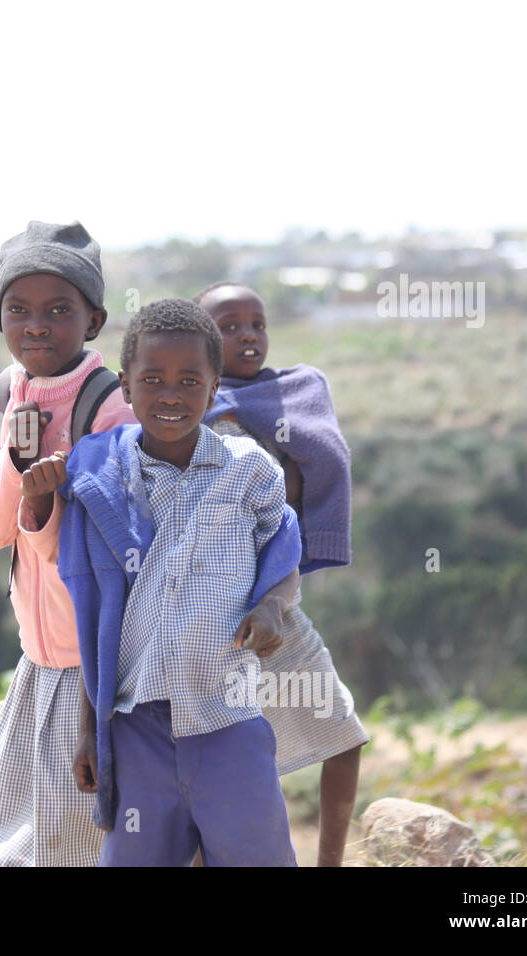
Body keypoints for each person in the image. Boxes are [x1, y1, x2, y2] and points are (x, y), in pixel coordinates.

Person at [59, 298, 303, 866]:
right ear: (125, 385)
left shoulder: (249, 470)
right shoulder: (98, 477)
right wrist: (89, 731)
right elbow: (92, 614)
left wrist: (272, 606)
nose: (171, 394)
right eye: (153, 379)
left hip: (228, 719)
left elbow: (284, 550)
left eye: (190, 380)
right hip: (136, 728)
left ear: (215, 388)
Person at [0, 221, 138, 866]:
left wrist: (43, 501)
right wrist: (13, 458)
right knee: (28, 834)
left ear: (94, 320)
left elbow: (117, 557)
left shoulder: (111, 407)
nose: (37, 325)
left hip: (98, 663)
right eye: (18, 309)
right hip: (39, 661)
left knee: (80, 838)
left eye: (60, 309)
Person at [196, 281, 368, 867]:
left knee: (343, 736)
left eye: (257, 323)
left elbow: (301, 482)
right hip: (195, 613)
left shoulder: (297, 391)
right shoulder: (187, 405)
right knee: (197, 764)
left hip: (274, 599)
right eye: (229, 325)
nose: (248, 335)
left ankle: (330, 863)